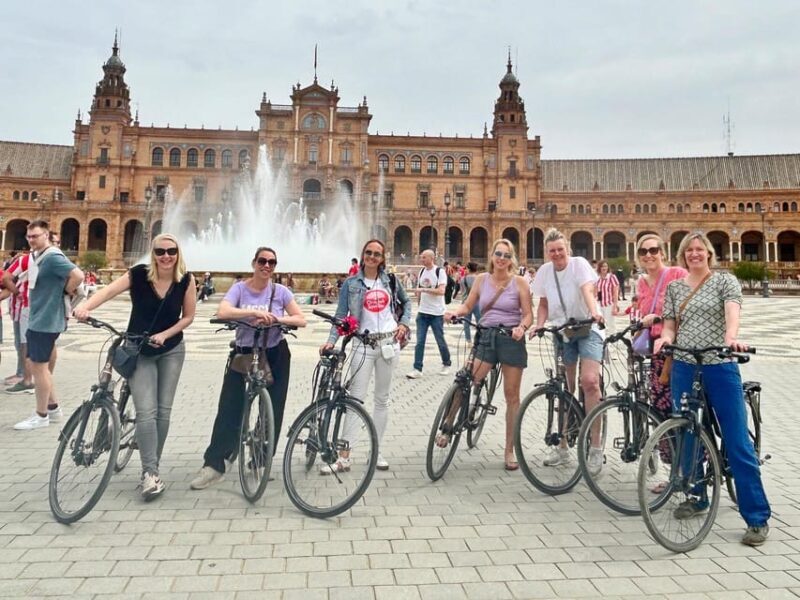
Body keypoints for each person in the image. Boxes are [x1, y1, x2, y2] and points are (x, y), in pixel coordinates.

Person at [654, 232, 771, 547]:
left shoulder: (725, 281)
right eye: (688, 250)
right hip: (684, 365)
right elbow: (669, 324)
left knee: (735, 440)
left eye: (699, 249)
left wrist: (731, 337)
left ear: (708, 253)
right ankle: (697, 496)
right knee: (688, 434)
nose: (694, 254)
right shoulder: (675, 288)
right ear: (682, 255)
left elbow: (732, 311)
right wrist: (664, 337)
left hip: (719, 363)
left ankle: (757, 517)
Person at [74, 234, 195, 499]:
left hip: (171, 349)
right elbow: (106, 292)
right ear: (153, 253)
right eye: (160, 251)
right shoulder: (139, 274)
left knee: (163, 411)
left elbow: (188, 317)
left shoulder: (186, 279)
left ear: (178, 253)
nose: (166, 256)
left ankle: (153, 469)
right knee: (146, 411)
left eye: (171, 251)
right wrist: (85, 307)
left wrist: (165, 334)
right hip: (138, 349)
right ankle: (149, 473)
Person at [191, 246, 306, 490]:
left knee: (272, 409)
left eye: (272, 262)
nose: (267, 266)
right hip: (244, 352)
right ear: (254, 263)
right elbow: (223, 311)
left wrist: (278, 319)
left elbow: (300, 319)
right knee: (230, 406)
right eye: (262, 261)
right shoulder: (240, 288)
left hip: (275, 353)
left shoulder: (281, 291)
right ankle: (215, 464)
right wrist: (251, 312)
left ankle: (260, 461)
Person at [320, 239, 412, 472]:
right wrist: (331, 342)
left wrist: (403, 323)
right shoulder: (351, 283)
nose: (372, 257)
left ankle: (376, 450)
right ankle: (344, 456)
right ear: (363, 255)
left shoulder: (390, 280)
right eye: (368, 253)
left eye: (377, 254)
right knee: (354, 400)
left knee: (382, 400)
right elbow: (341, 316)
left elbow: (407, 302)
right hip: (363, 344)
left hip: (389, 343)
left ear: (382, 258)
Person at [444, 239, 533, 470]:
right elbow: (468, 305)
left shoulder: (520, 283)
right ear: (492, 256)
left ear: (511, 258)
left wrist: (521, 328)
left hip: (511, 339)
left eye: (506, 255)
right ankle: (447, 423)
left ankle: (509, 450)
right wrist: (455, 313)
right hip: (486, 336)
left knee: (512, 396)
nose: (501, 258)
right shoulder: (481, 280)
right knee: (466, 379)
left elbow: (528, 315)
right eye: (498, 254)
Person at [530, 228, 603, 473]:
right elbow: (543, 303)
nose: (557, 254)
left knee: (590, 382)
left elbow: (587, 290)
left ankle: (595, 448)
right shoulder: (544, 272)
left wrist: (594, 311)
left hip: (588, 327)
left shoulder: (579, 264)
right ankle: (562, 447)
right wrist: (540, 325)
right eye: (552, 251)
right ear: (546, 252)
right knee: (565, 389)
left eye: (560, 249)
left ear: (567, 249)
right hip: (562, 332)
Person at [14, 221, 83, 431]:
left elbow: (78, 275)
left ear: (46, 235)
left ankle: (41, 415)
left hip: (45, 320)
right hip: (41, 317)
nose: (31, 240)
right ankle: (52, 409)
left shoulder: (52, 257)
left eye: (35, 236)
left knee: (38, 368)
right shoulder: (38, 256)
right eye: (29, 237)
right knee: (39, 367)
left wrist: (66, 291)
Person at [635, 234, 687, 420]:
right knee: (659, 408)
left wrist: (659, 317)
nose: (648, 255)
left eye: (653, 250)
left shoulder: (678, 274)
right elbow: (642, 315)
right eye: (643, 251)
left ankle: (691, 448)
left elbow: (686, 312)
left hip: (678, 350)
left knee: (681, 406)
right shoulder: (641, 282)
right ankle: (666, 449)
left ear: (663, 253)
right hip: (656, 352)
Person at [407, 249, 452, 378]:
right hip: (423, 312)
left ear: (431, 258)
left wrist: (424, 289)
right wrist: (419, 297)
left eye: (424, 257)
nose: (422, 259)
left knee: (440, 340)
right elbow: (421, 289)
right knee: (420, 341)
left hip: (437, 313)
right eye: (421, 257)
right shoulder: (421, 271)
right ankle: (417, 369)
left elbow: (441, 291)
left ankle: (447, 363)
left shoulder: (440, 272)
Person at [2, 251, 33, 391]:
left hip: (25, 309)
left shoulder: (27, 263)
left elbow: (6, 282)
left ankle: (24, 376)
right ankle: (21, 373)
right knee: (19, 342)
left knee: (24, 343)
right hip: (18, 310)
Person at [596, 260, 620, 333]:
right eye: (602, 266)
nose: (604, 268)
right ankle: (603, 342)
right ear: (599, 268)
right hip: (599, 305)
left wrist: (615, 306)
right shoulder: (597, 278)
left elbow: (616, 292)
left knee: (611, 325)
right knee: (600, 325)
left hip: (609, 304)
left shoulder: (612, 277)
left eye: (605, 266)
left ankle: (614, 342)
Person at [460, 262, 481, 342]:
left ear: (468, 269)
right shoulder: (479, 279)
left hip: (466, 303)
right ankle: (479, 339)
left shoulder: (463, 279)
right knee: (479, 322)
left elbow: (462, 292)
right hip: (477, 303)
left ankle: (468, 340)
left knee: (466, 322)